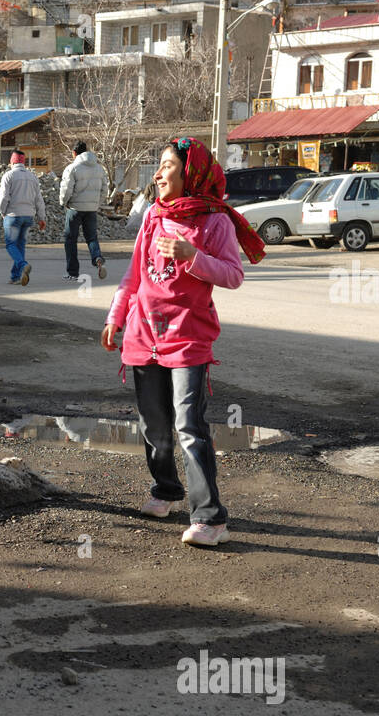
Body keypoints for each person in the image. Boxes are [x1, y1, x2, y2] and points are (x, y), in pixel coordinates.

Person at [101, 136, 266, 547]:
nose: (157, 174)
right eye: (157, 165)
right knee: (154, 425)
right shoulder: (154, 217)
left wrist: (192, 254)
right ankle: (166, 490)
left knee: (189, 426)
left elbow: (233, 275)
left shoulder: (214, 221)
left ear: (189, 173)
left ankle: (210, 519)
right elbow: (134, 277)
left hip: (187, 338)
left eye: (166, 165)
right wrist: (116, 316)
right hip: (144, 335)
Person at [60, 141, 109, 281]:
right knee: (92, 237)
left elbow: (66, 189)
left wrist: (63, 203)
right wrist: (96, 204)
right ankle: (97, 258)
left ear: (74, 153)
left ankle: (73, 272)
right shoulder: (99, 169)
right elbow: (105, 190)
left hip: (75, 208)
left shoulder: (72, 168)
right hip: (91, 209)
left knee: (70, 240)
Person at [0, 150, 47, 286]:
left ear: (12, 162)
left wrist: (2, 212)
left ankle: (23, 264)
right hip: (28, 216)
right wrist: (41, 218)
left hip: (13, 215)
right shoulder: (33, 177)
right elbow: (39, 200)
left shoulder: (9, 176)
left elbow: (4, 197)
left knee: (10, 244)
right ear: (23, 162)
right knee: (20, 246)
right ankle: (16, 276)